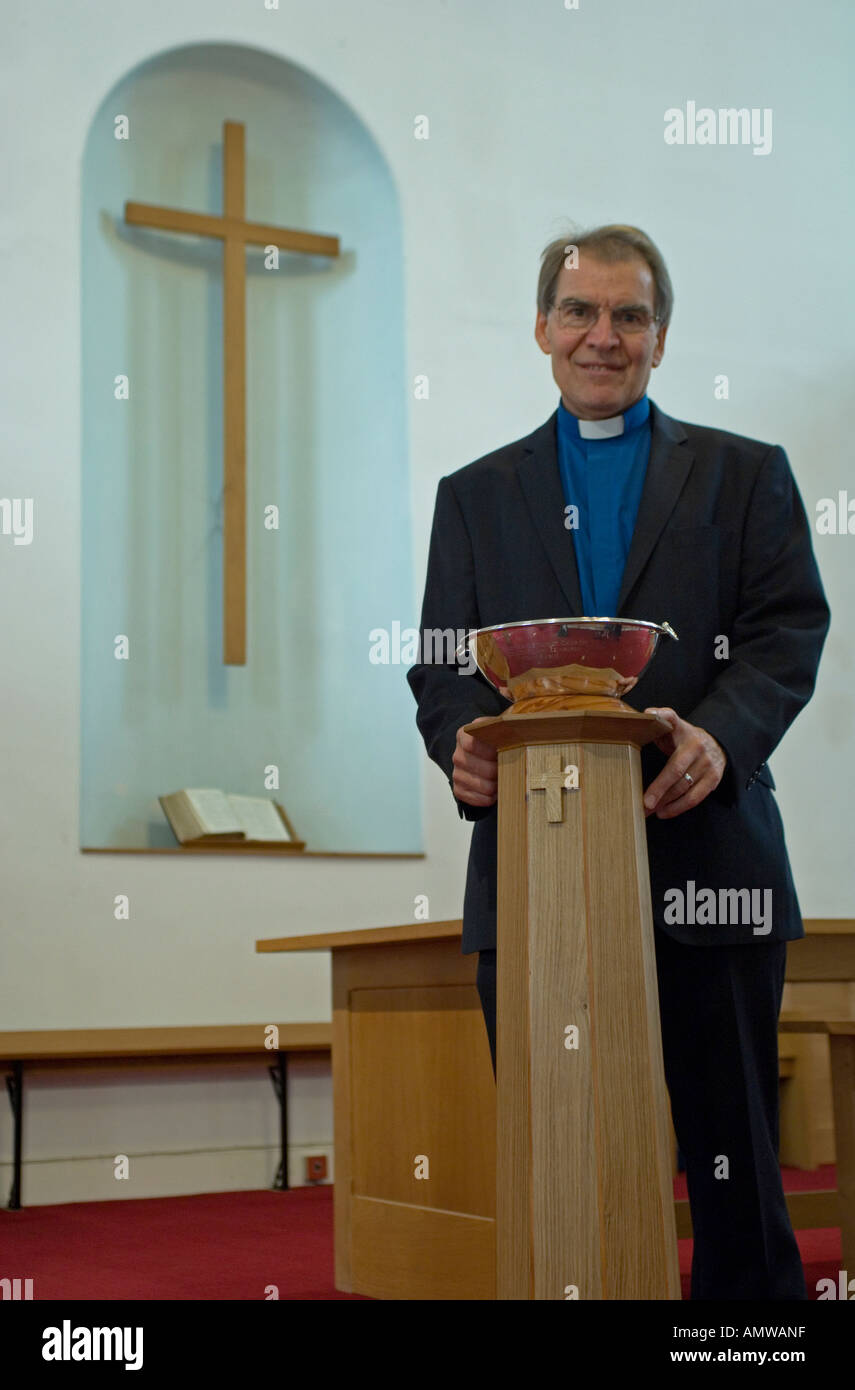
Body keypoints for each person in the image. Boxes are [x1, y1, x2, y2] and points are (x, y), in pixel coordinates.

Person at [406, 224, 830, 1301]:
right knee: (563, 1144)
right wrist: (456, 739)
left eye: (628, 315)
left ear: (659, 335)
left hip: (709, 853)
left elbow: (785, 633)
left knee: (730, 1151)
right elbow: (445, 663)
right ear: (541, 329)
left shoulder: (742, 477)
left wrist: (717, 736)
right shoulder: (475, 493)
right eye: (580, 313)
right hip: (537, 867)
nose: (603, 337)